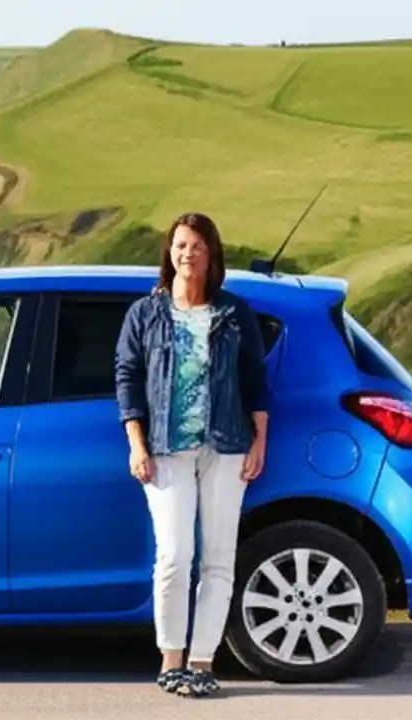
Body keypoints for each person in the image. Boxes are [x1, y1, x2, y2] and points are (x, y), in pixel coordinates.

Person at [113, 212, 269, 698]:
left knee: (219, 558)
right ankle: (171, 659)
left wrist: (260, 439)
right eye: (181, 245)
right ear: (170, 252)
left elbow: (255, 381)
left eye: (198, 246)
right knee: (176, 555)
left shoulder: (234, 312)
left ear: (212, 255)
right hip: (165, 449)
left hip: (226, 445)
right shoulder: (146, 314)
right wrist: (136, 443)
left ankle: (203, 663)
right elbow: (127, 378)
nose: (188, 254)